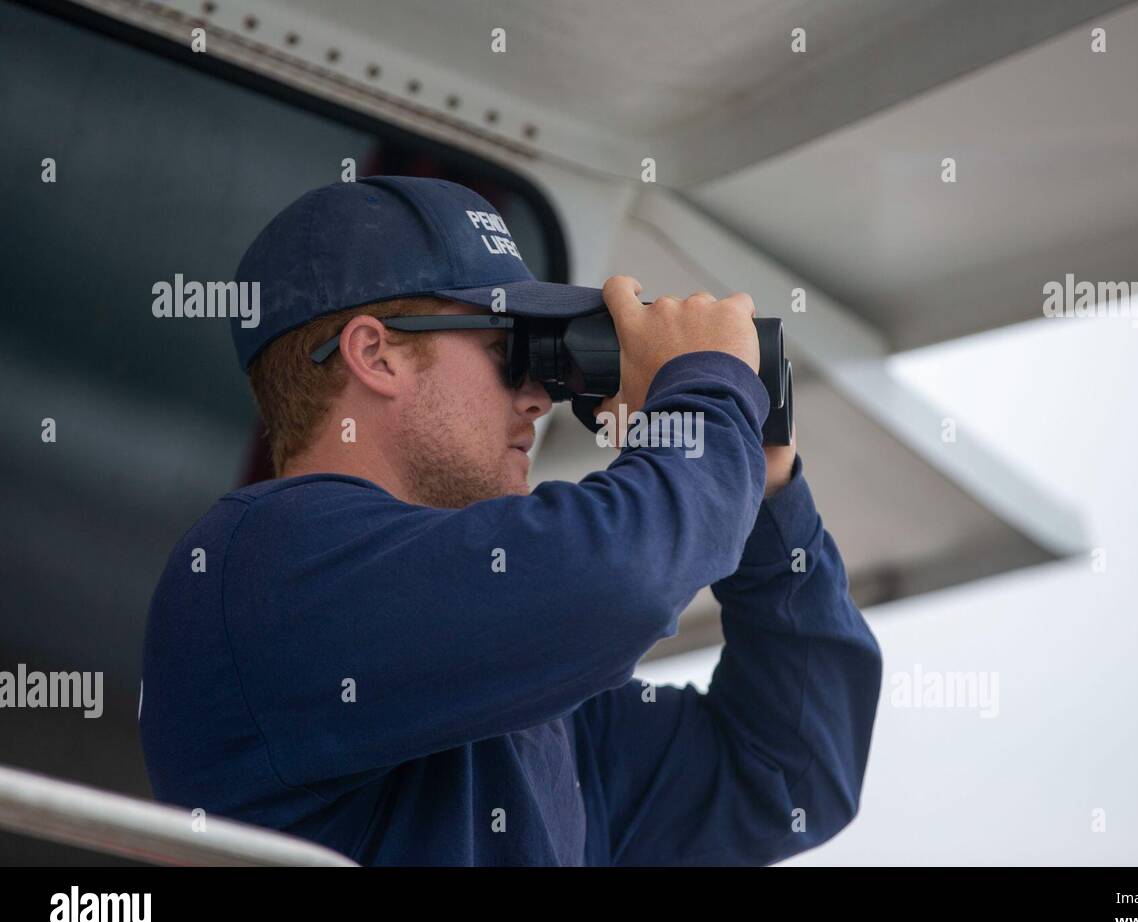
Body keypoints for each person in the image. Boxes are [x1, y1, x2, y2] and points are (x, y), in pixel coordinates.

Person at [139, 175, 883, 865]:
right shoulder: (262, 570)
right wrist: (704, 399)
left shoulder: (523, 707)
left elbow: (791, 776)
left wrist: (766, 490)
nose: (538, 398)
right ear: (377, 355)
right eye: (508, 353)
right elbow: (615, 581)